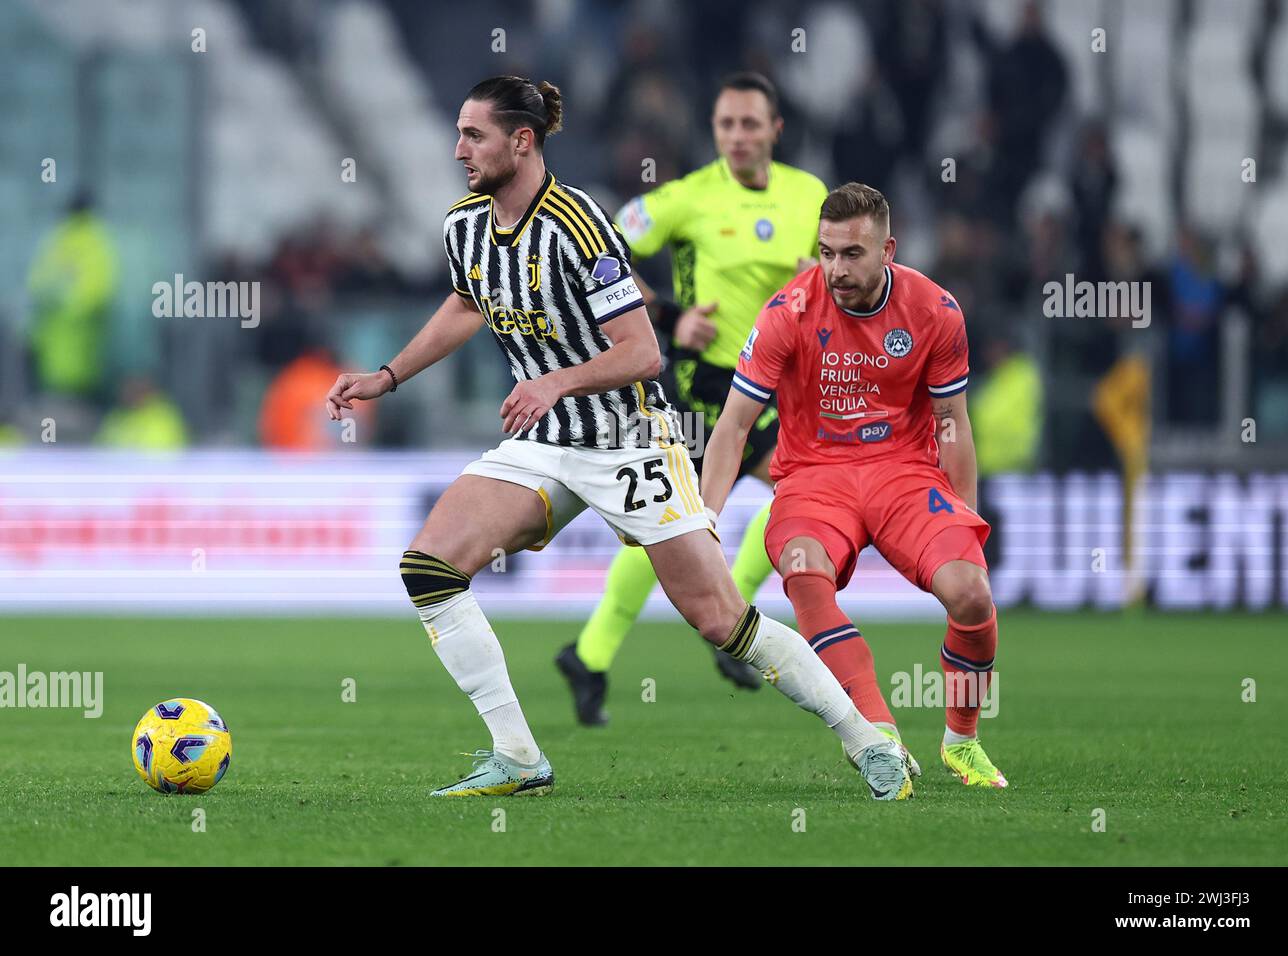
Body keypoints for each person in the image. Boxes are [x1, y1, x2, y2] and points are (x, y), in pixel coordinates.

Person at [325, 78, 914, 800]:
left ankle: (867, 742)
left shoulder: (579, 226)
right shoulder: (464, 225)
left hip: (628, 436)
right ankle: (516, 754)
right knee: (430, 568)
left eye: (473, 135)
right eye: (458, 133)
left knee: (721, 618)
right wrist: (387, 376)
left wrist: (555, 382)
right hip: (544, 441)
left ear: (522, 141)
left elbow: (642, 352)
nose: (458, 150)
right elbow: (466, 301)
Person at [701, 182, 1007, 788]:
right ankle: (877, 735)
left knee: (971, 596)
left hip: (904, 476)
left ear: (888, 249)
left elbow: (952, 422)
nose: (835, 270)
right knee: (803, 573)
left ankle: (962, 741)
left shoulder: (936, 311)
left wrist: (965, 518)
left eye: (851, 254)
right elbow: (733, 426)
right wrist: (705, 521)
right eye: (826, 252)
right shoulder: (786, 312)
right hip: (813, 480)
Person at [557, 72, 828, 725]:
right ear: (715, 130)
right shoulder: (688, 198)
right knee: (783, 495)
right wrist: (670, 315)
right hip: (703, 382)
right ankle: (729, 620)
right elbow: (600, 251)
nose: (737, 136)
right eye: (726, 125)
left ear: (775, 130)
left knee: (700, 517)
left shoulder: (809, 194)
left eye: (750, 124)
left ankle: (593, 654)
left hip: (779, 380)